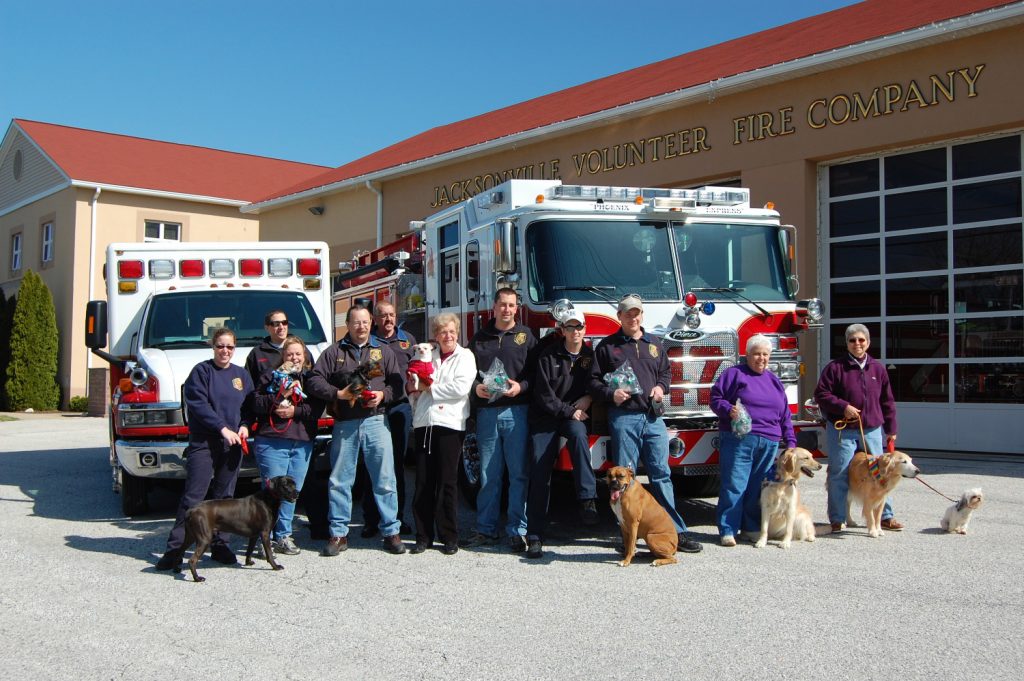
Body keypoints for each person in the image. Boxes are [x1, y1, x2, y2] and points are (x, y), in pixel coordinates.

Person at [590, 295, 702, 553]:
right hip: (623, 417)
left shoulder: (655, 344)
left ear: (642, 315)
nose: (633, 317)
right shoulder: (607, 347)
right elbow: (593, 382)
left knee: (661, 474)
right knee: (623, 480)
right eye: (628, 313)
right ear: (620, 316)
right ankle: (626, 536)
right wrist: (611, 394)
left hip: (653, 418)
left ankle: (676, 531)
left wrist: (661, 388)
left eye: (637, 313)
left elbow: (665, 373)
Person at [306, 305, 407, 555]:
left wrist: (383, 395)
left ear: (370, 323)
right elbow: (314, 379)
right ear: (347, 325)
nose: (360, 327)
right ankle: (339, 534)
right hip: (345, 424)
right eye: (355, 323)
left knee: (385, 479)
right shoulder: (334, 353)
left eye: (364, 322)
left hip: (376, 421)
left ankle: (391, 532)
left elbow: (399, 382)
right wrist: (337, 394)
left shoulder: (382, 351)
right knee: (340, 480)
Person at [155, 328, 253, 570]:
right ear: (213, 346)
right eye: (220, 346)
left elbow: (250, 406)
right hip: (205, 442)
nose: (225, 351)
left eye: (230, 347)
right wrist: (222, 428)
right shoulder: (202, 371)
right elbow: (198, 404)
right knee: (193, 497)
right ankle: (175, 550)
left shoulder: (241, 375)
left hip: (232, 444)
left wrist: (244, 426)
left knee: (225, 498)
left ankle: (221, 545)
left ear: (234, 348)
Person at [463, 288, 537, 552]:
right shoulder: (480, 338)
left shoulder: (526, 336)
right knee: (489, 475)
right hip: (488, 413)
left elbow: (535, 375)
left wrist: (522, 387)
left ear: (517, 308)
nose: (507, 309)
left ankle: (517, 530)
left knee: (518, 474)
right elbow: (466, 371)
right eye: (502, 305)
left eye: (512, 305)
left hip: (517, 411)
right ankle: (486, 529)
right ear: (493, 307)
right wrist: (475, 388)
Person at [709, 334, 797, 546]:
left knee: (757, 487)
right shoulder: (734, 374)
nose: (761, 358)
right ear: (747, 355)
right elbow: (715, 398)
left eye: (765, 354)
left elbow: (785, 414)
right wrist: (728, 409)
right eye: (757, 354)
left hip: (769, 441)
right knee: (735, 485)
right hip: (739, 438)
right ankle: (728, 529)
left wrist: (791, 442)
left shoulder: (774, 380)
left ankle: (750, 528)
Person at [525, 309, 599, 559]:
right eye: (570, 327)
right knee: (539, 469)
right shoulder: (548, 355)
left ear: (585, 330)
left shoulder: (590, 356)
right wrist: (570, 411)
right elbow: (544, 396)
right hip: (546, 417)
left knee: (579, 437)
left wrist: (590, 397)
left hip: (571, 417)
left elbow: (597, 382)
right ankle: (534, 534)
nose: (575, 332)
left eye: (579, 327)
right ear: (562, 330)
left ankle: (587, 500)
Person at [815, 323, 902, 533]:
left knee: (882, 472)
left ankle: (885, 517)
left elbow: (887, 401)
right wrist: (843, 407)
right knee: (840, 472)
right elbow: (821, 394)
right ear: (847, 344)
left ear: (868, 343)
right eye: (853, 340)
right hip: (842, 430)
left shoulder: (878, 368)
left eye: (861, 340)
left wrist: (891, 428)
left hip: (872, 429)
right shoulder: (835, 368)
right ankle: (837, 518)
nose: (857, 344)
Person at [247, 335, 325, 555]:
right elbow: (256, 403)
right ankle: (266, 539)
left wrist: (294, 411)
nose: (294, 358)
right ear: (283, 356)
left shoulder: (311, 380)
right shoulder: (270, 377)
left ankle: (283, 536)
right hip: (272, 440)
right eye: (290, 354)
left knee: (292, 491)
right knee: (272, 492)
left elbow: (316, 409)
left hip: (301, 442)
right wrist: (279, 396)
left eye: (298, 354)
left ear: (305, 357)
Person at [407, 313, 476, 555]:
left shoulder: (465, 356)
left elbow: (460, 388)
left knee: (448, 482)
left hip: (450, 424)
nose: (447, 336)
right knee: (424, 481)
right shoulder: (427, 353)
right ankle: (423, 536)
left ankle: (449, 536)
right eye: (442, 332)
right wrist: (417, 385)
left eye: (451, 331)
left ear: (458, 333)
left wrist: (430, 387)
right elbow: (414, 381)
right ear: (435, 335)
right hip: (425, 423)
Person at [358, 300, 414, 538]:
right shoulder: (370, 343)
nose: (389, 319)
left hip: (401, 408)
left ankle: (397, 519)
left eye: (392, 314)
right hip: (376, 409)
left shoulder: (407, 340)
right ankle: (371, 520)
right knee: (372, 465)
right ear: (375, 319)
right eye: (383, 316)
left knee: (397, 466)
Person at [244, 310, 294, 386]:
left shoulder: (300, 348)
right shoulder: (257, 353)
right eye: (276, 324)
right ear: (267, 328)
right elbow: (248, 385)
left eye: (284, 323)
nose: (281, 327)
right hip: (267, 397)